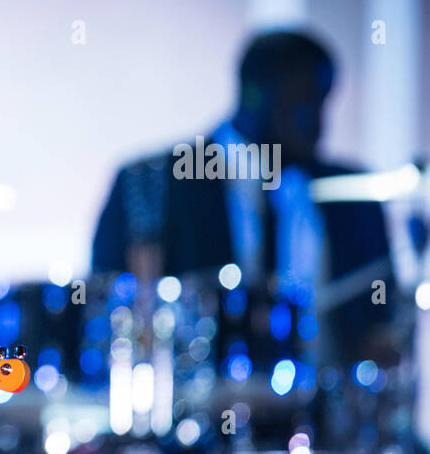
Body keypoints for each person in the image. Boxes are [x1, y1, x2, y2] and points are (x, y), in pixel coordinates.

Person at [91, 29, 394, 364]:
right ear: (256, 96)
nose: (320, 125)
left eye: (324, 102)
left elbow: (381, 322)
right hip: (193, 409)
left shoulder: (355, 196)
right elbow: (108, 318)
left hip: (326, 411)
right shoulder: (151, 184)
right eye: (305, 104)